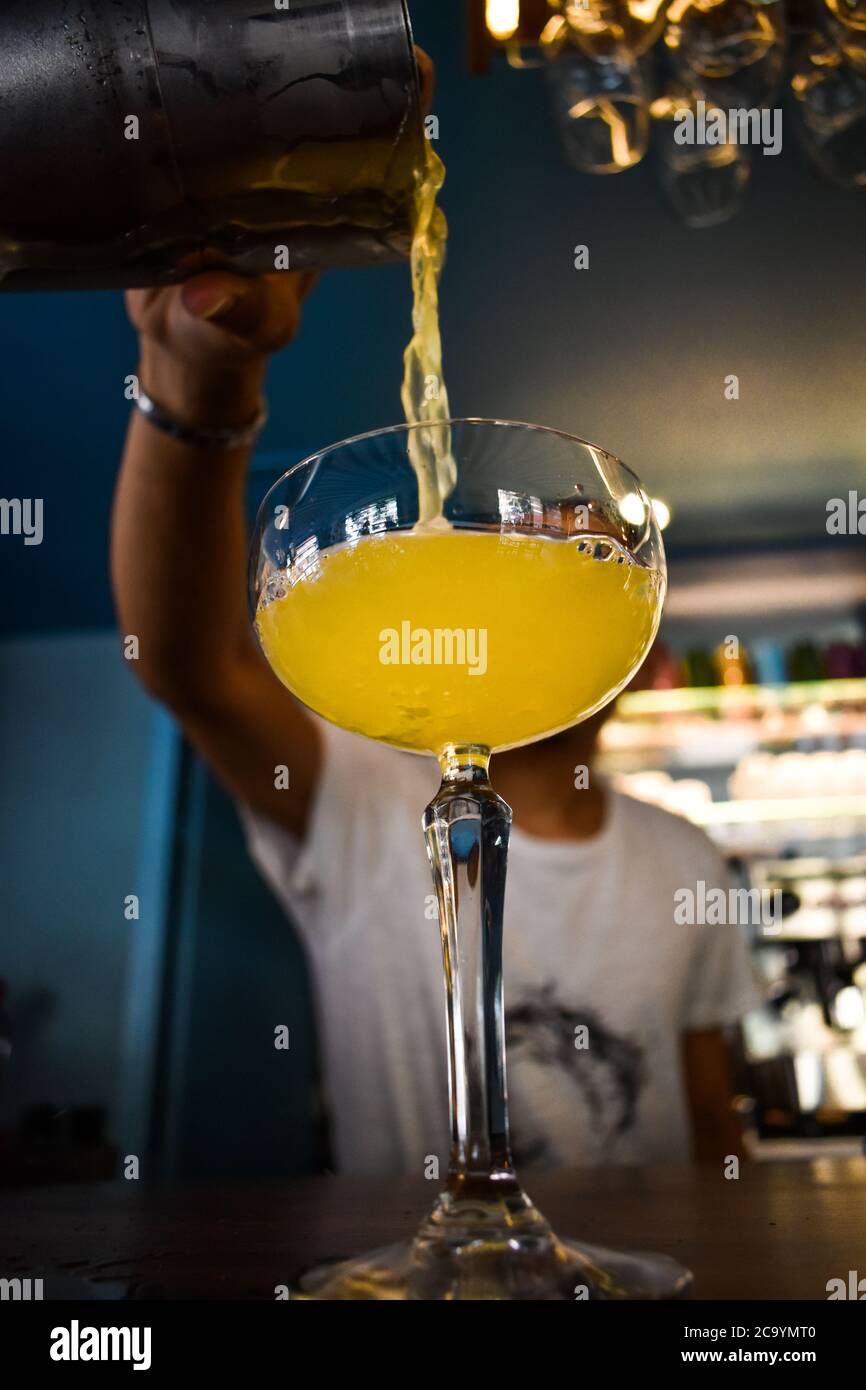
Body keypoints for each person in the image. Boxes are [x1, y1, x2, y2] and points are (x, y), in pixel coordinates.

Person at [113, 278, 760, 1181]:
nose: (556, 570)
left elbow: (708, 1111)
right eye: (541, 544)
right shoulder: (356, 786)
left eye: (589, 549)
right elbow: (187, 665)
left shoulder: (688, 859)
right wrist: (195, 378)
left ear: (640, 647)